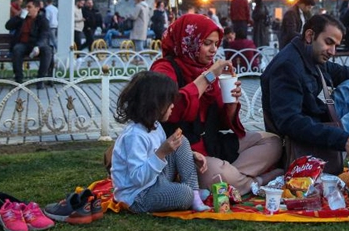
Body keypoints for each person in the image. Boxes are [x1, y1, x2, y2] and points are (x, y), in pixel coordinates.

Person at [149, 14, 282, 194]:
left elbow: (222, 123)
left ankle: (233, 177)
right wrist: (209, 77)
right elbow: (171, 109)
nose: (213, 50)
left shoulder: (206, 69)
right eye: (207, 43)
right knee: (218, 174)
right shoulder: (165, 68)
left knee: (272, 142)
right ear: (189, 42)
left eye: (216, 44)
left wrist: (232, 104)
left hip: (212, 142)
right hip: (183, 151)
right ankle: (255, 181)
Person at [262, 14, 349, 163]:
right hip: (306, 143)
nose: (332, 51)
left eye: (336, 46)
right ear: (310, 35)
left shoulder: (308, 54)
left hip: (318, 122)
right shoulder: (288, 66)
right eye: (328, 42)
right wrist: (340, 138)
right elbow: (290, 123)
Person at [111, 71, 210, 213]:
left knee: (181, 141)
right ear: (154, 104)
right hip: (138, 195)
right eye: (168, 102)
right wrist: (161, 152)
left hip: (156, 179)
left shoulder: (155, 126)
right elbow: (137, 179)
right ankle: (188, 194)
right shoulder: (134, 136)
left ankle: (194, 193)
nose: (172, 106)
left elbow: (165, 152)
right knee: (183, 194)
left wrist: (190, 155)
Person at [5, 0, 53, 85]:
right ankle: (19, 79)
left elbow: (44, 35)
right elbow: (8, 26)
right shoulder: (22, 18)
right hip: (23, 44)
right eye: (26, 7)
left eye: (29, 7)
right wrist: (18, 16)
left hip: (37, 44)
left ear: (37, 8)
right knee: (17, 49)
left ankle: (40, 80)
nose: (27, 9)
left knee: (47, 51)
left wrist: (38, 46)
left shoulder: (42, 20)